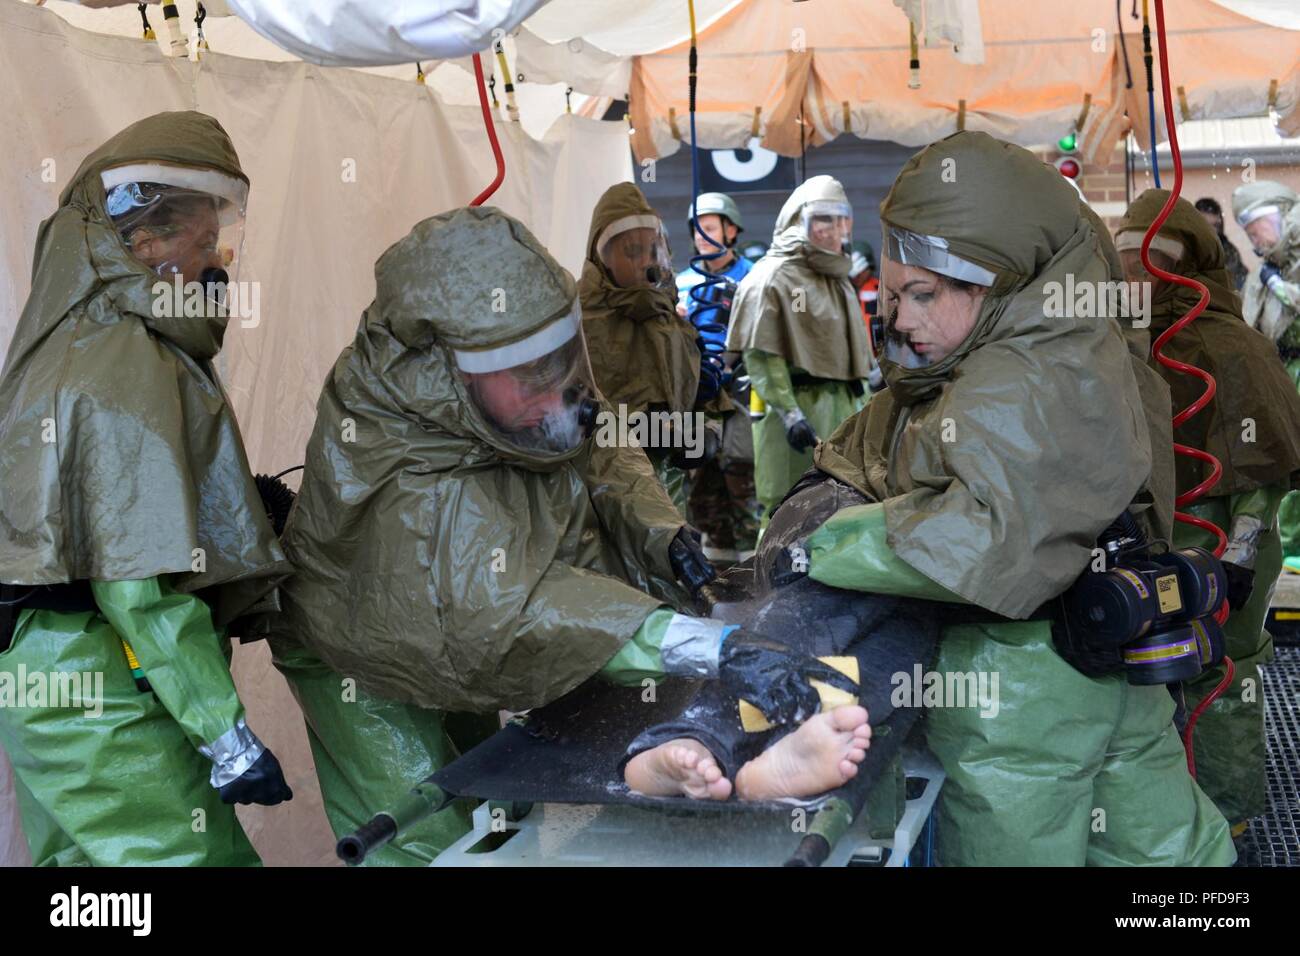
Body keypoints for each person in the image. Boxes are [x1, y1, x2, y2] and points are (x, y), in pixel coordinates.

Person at [267, 207, 849, 864]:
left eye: (556, 364)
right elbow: (502, 601)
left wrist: (660, 534)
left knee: (492, 813)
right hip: (357, 647)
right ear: (450, 374)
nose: (552, 393)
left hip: (451, 633)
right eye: (528, 376)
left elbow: (593, 442)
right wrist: (704, 645)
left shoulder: (512, 380)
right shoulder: (401, 450)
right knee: (422, 845)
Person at [775, 132, 1235, 866]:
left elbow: (980, 538)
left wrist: (818, 545)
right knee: (1162, 847)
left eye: (920, 295)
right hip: (1119, 662)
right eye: (894, 296)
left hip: (1019, 693)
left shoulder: (1009, 380)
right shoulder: (1077, 344)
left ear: (992, 279)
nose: (900, 320)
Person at [0, 111, 293, 866]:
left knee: (84, 891)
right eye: (202, 247)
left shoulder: (69, 339)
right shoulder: (124, 358)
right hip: (97, 680)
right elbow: (135, 581)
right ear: (145, 242)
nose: (215, 267)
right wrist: (225, 735)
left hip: (44, 677)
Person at [1115, 191, 1300, 833]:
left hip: (1227, 548)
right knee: (1150, 673)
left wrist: (1239, 552)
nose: (1135, 278)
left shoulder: (1237, 350)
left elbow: (1266, 469)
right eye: (1126, 264)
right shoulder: (1119, 349)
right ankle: (1164, 808)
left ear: (1183, 266)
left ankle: (1228, 811)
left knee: (1223, 670)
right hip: (1154, 547)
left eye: (1150, 263)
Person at [726, 176, 872, 532]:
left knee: (845, 504)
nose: (834, 229)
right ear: (799, 220)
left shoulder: (835, 276)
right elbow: (762, 354)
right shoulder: (772, 277)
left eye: (841, 219)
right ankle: (774, 586)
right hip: (795, 413)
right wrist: (790, 413)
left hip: (844, 407)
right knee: (787, 508)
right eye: (823, 219)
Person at [580, 183, 729, 514]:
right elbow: (557, 413)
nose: (645, 263)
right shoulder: (578, 323)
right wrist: (635, 428)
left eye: (652, 250)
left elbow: (706, 389)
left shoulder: (673, 323)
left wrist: (708, 432)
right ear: (602, 257)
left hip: (670, 500)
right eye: (631, 252)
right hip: (603, 505)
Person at [674, 192, 762, 558]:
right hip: (697, 393)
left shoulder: (755, 278)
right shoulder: (680, 282)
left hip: (742, 390)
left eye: (710, 228)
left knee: (742, 475)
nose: (701, 236)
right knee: (702, 482)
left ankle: (754, 563)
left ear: (731, 230)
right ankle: (717, 567)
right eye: (697, 229)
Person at [1233, 182, 1300, 570]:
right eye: (1248, 231)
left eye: (1256, 226)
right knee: (1286, 458)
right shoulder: (1265, 273)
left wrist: (1277, 284)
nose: (1254, 238)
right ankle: (1289, 545)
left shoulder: (1278, 273)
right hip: (1283, 371)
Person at [1193, 197, 1249, 291]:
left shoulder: (1228, 252)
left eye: (1215, 225)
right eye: (1206, 225)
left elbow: (1237, 286)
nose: (1212, 231)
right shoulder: (1185, 249)